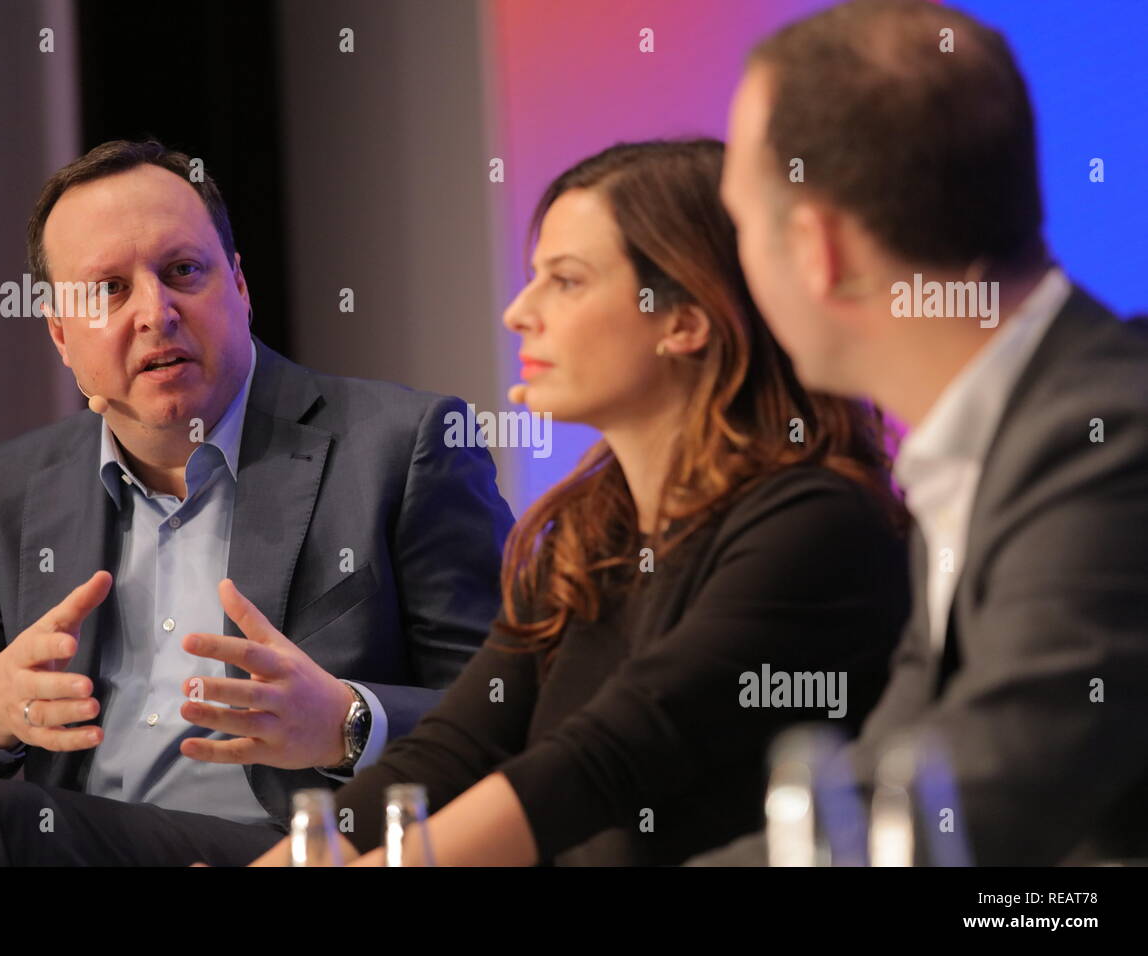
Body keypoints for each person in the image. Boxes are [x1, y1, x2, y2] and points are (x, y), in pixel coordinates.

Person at [250, 138, 912, 867]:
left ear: (685, 318)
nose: (519, 312)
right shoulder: (590, 532)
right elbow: (454, 751)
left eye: (565, 281)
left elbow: (604, 762)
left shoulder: (815, 527)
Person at [0, 139, 515, 865]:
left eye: (183, 272)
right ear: (59, 333)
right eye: (108, 290)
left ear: (239, 286)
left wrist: (346, 722)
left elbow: (512, 715)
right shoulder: (7, 487)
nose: (155, 313)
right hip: (82, 845)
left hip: (303, 849)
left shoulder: (403, 446)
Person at [690, 0, 1148, 866]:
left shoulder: (1106, 439)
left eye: (741, 224)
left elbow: (974, 802)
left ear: (817, 249)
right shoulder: (978, 442)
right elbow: (892, 775)